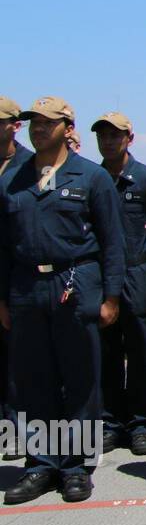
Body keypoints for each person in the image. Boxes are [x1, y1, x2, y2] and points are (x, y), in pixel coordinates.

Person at [0, 97, 125, 505]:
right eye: (33, 123)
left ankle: (75, 467)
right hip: (26, 287)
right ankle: (40, 463)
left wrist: (110, 296)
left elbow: (112, 241)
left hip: (75, 282)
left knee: (79, 378)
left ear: (68, 127)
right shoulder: (13, 178)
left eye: (47, 123)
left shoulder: (91, 177)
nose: (38, 129)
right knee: (33, 379)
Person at [92, 112, 146, 456]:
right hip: (101, 277)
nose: (109, 142)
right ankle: (110, 422)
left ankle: (140, 424)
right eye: (103, 136)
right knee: (106, 352)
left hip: (139, 276)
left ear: (129, 139)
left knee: (142, 354)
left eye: (115, 135)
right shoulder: (90, 179)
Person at [0, 96, 32, 443]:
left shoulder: (28, 167)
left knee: (19, 361)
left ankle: (17, 430)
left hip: (17, 275)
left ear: (14, 125)